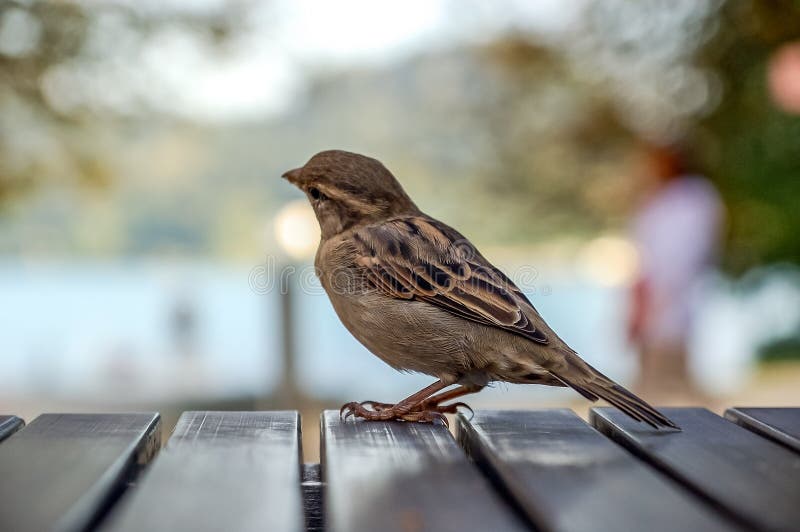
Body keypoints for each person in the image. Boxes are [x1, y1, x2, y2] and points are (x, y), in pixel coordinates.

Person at [628, 144, 724, 401]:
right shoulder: (657, 201)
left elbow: (684, 255)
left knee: (669, 378)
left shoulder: (692, 199)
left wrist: (658, 298)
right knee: (652, 376)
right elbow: (644, 258)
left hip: (672, 300)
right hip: (656, 301)